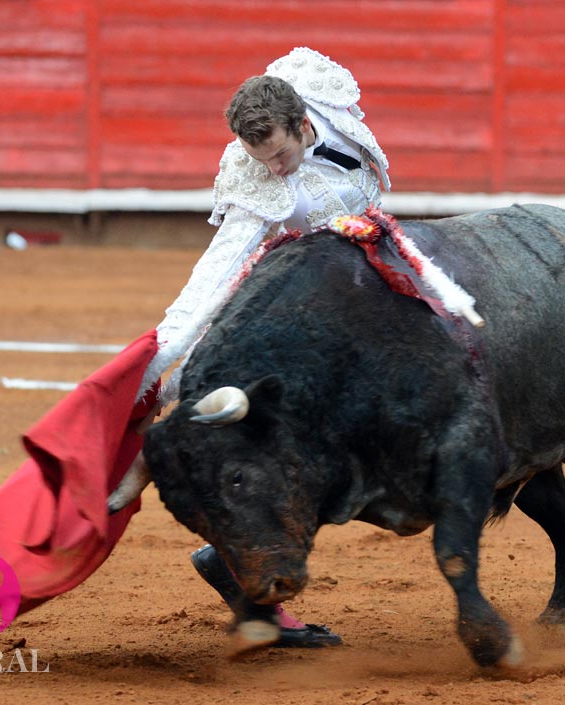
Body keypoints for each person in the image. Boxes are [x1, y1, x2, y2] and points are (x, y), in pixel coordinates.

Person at [112, 46, 391, 652]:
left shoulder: (317, 95)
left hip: (366, 291)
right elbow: (213, 277)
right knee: (306, 443)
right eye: (263, 160)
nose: (278, 170)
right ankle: (240, 567)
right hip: (293, 320)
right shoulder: (256, 185)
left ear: (302, 122)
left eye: (283, 154)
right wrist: (158, 364)